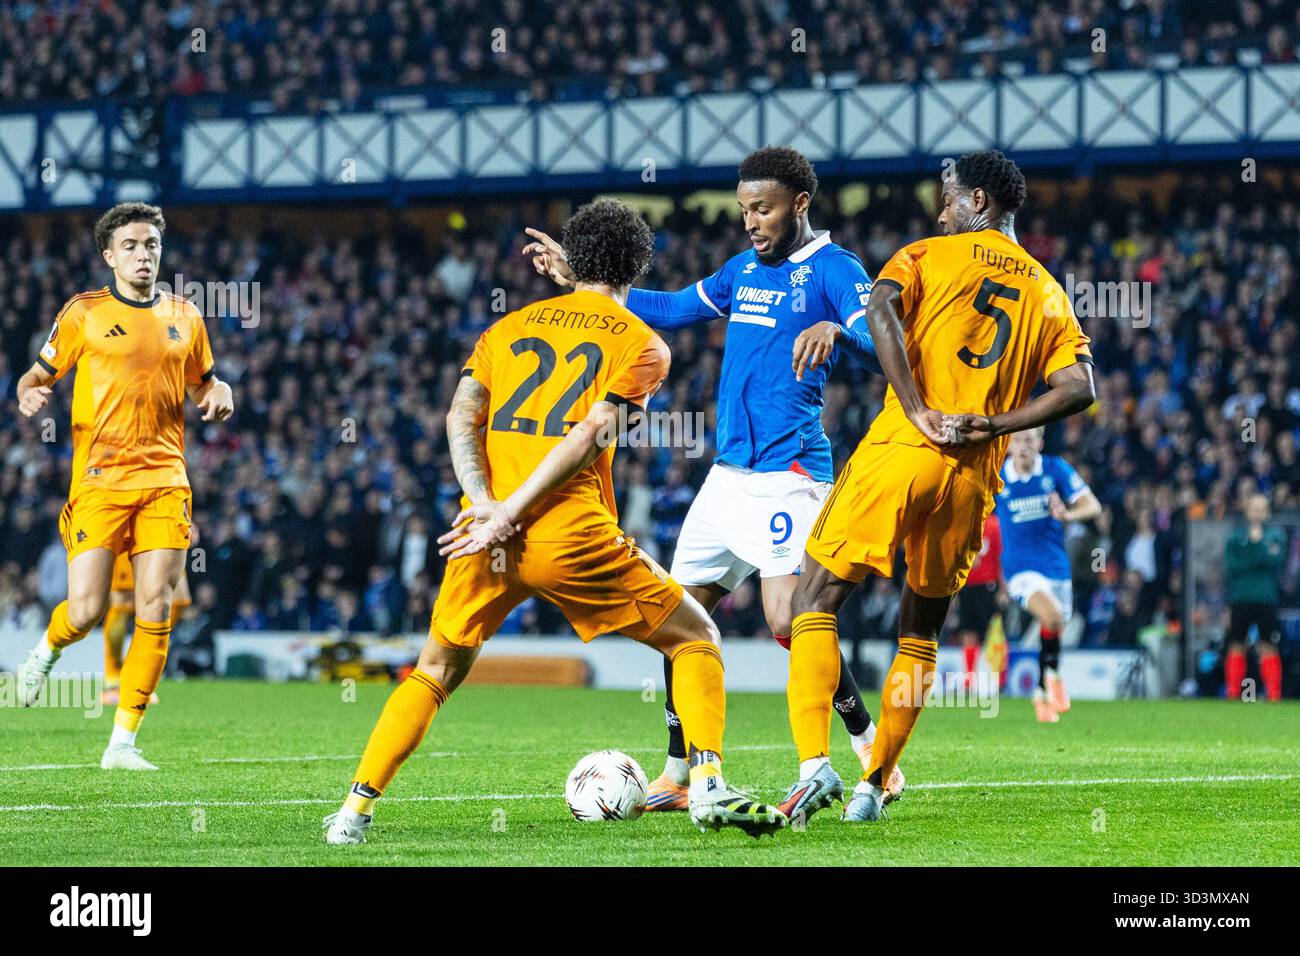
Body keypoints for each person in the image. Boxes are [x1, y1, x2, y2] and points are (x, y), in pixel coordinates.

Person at [324, 198, 787, 844]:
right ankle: (705, 782)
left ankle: (353, 814)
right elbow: (593, 434)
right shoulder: (643, 348)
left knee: (433, 671)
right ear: (638, 265)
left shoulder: (506, 329)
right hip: (570, 534)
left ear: (574, 260)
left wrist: (484, 503)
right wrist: (512, 510)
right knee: (695, 638)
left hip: (482, 536)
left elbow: (461, 416)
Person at [524, 147, 899, 818]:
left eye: (764, 209)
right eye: (744, 210)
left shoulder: (836, 271)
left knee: (791, 621)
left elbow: (884, 348)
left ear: (800, 204)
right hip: (727, 480)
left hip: (789, 475)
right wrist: (581, 281)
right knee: (680, 619)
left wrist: (837, 332)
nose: (752, 222)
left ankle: (868, 747)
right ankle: (678, 771)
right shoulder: (743, 270)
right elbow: (667, 308)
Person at [782, 150, 1095, 823]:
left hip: (905, 445)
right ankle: (874, 785)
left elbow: (882, 311)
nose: (938, 209)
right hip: (973, 474)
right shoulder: (1047, 290)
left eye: (947, 197)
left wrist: (919, 405)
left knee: (814, 594)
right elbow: (1079, 388)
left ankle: (815, 765)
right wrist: (996, 423)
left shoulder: (927, 254)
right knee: (920, 626)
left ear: (978, 199)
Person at [13, 201, 233, 770]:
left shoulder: (187, 315)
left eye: (152, 245)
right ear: (109, 256)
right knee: (85, 611)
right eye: (131, 246)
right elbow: (35, 375)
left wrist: (219, 392)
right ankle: (46, 649)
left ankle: (123, 743)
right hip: (100, 481)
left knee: (155, 604)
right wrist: (29, 393)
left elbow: (205, 381)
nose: (143, 254)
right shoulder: (83, 313)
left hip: (165, 479)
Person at [995, 428, 1102, 722]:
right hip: (1019, 571)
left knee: (1054, 623)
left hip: (1056, 568)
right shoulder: (997, 477)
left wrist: (1067, 514)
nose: (1024, 446)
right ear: (1008, 444)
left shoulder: (1055, 469)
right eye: (1017, 440)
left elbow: (1093, 506)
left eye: (1030, 440)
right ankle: (1054, 677)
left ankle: (1042, 691)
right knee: (1052, 616)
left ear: (1040, 443)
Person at [1223, 493, 1286, 702]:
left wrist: (1253, 550)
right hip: (1241, 597)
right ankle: (1234, 693)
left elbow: (1275, 560)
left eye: (1261, 508)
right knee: (1236, 643)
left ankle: (1273, 694)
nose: (1257, 512)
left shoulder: (1276, 536)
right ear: (1247, 511)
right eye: (1254, 508)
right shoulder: (1235, 537)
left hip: (1266, 598)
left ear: (1267, 512)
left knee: (1268, 644)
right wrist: (1257, 553)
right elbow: (1232, 567)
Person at [956, 511, 1003, 689]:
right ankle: (968, 680)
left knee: (993, 632)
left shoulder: (995, 524)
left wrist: (1002, 588)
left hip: (988, 585)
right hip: (967, 586)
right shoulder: (964, 522)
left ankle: (998, 678)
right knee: (968, 632)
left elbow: (1000, 555)